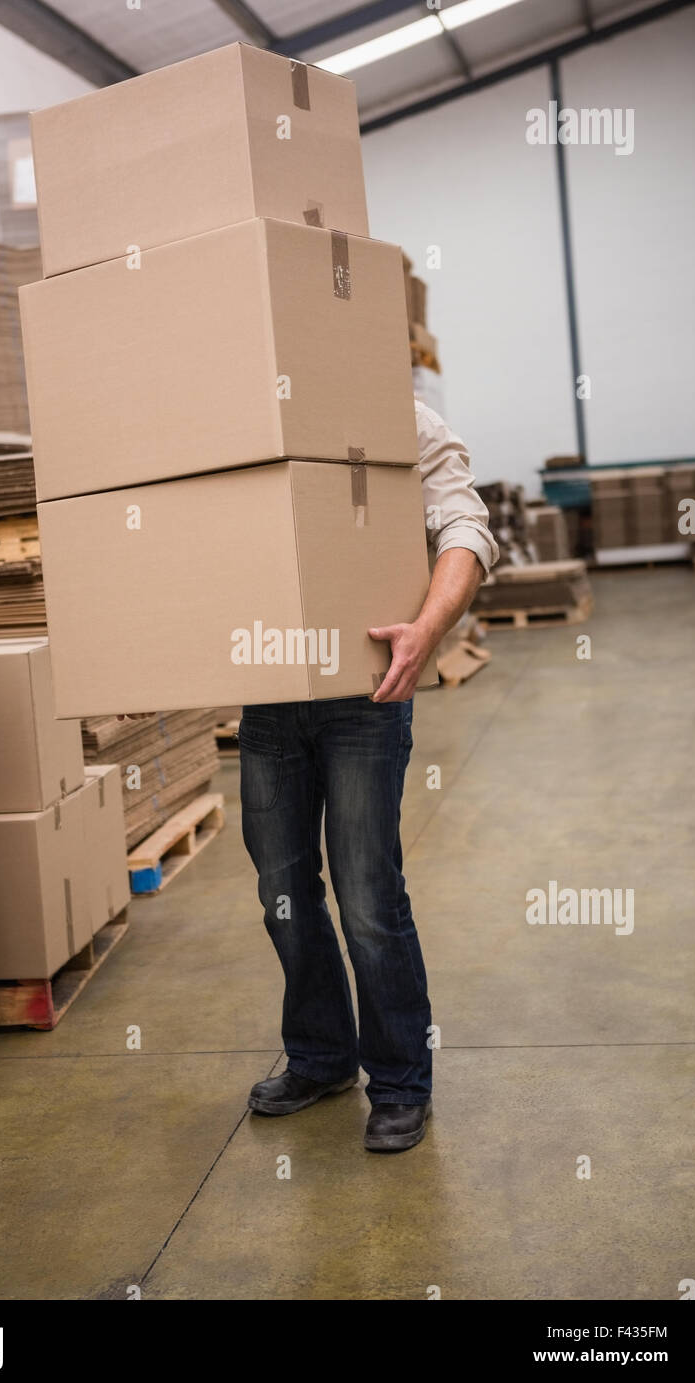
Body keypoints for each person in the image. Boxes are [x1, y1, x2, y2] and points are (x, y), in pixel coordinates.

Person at [242, 399, 499, 1152]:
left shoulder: (401, 417)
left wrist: (430, 627)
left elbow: (465, 528)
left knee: (367, 897)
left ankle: (399, 1082)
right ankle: (321, 1058)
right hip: (269, 690)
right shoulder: (245, 415)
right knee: (283, 894)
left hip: (366, 693)